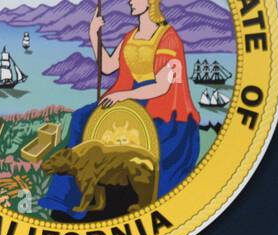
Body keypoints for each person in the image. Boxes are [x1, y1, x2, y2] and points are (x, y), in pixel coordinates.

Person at [39, 0, 200, 221]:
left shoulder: (169, 38)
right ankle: (66, 198)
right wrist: (94, 35)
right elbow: (107, 67)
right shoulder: (130, 36)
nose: (130, 1)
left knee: (157, 137)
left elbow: (163, 86)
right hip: (127, 94)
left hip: (156, 101)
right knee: (80, 118)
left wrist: (124, 95)